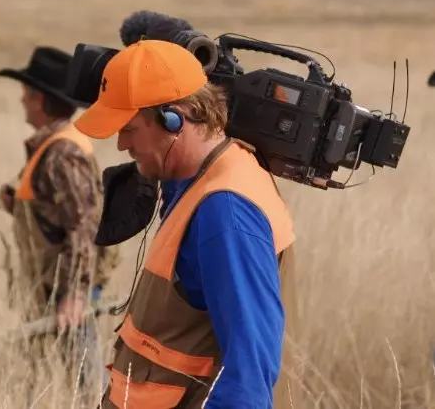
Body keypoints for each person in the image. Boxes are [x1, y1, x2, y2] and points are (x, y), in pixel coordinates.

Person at [73, 39, 300, 408]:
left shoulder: (226, 213)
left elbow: (248, 376)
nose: (120, 145)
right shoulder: (196, 181)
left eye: (129, 128)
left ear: (174, 117)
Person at [0, 46, 121, 396]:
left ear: (38, 99)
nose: (22, 100)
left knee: (87, 383)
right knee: (71, 377)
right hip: (59, 285)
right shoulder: (52, 146)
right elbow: (58, 209)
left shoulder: (62, 152)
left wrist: (76, 295)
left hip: (69, 289)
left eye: (26, 93)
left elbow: (82, 226)